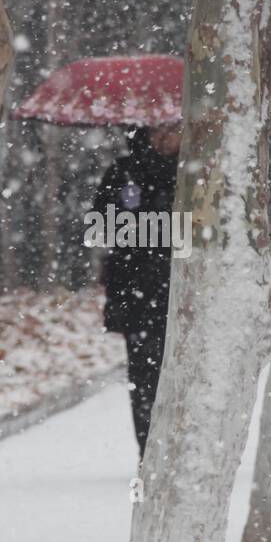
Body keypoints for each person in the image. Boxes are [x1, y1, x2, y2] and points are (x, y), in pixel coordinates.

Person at [92, 123, 181, 458]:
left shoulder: (192, 172)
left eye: (170, 130)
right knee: (144, 375)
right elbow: (98, 224)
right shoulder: (124, 171)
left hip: (179, 289)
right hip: (134, 290)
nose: (164, 137)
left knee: (178, 370)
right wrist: (135, 222)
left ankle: (176, 444)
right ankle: (149, 448)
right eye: (156, 131)